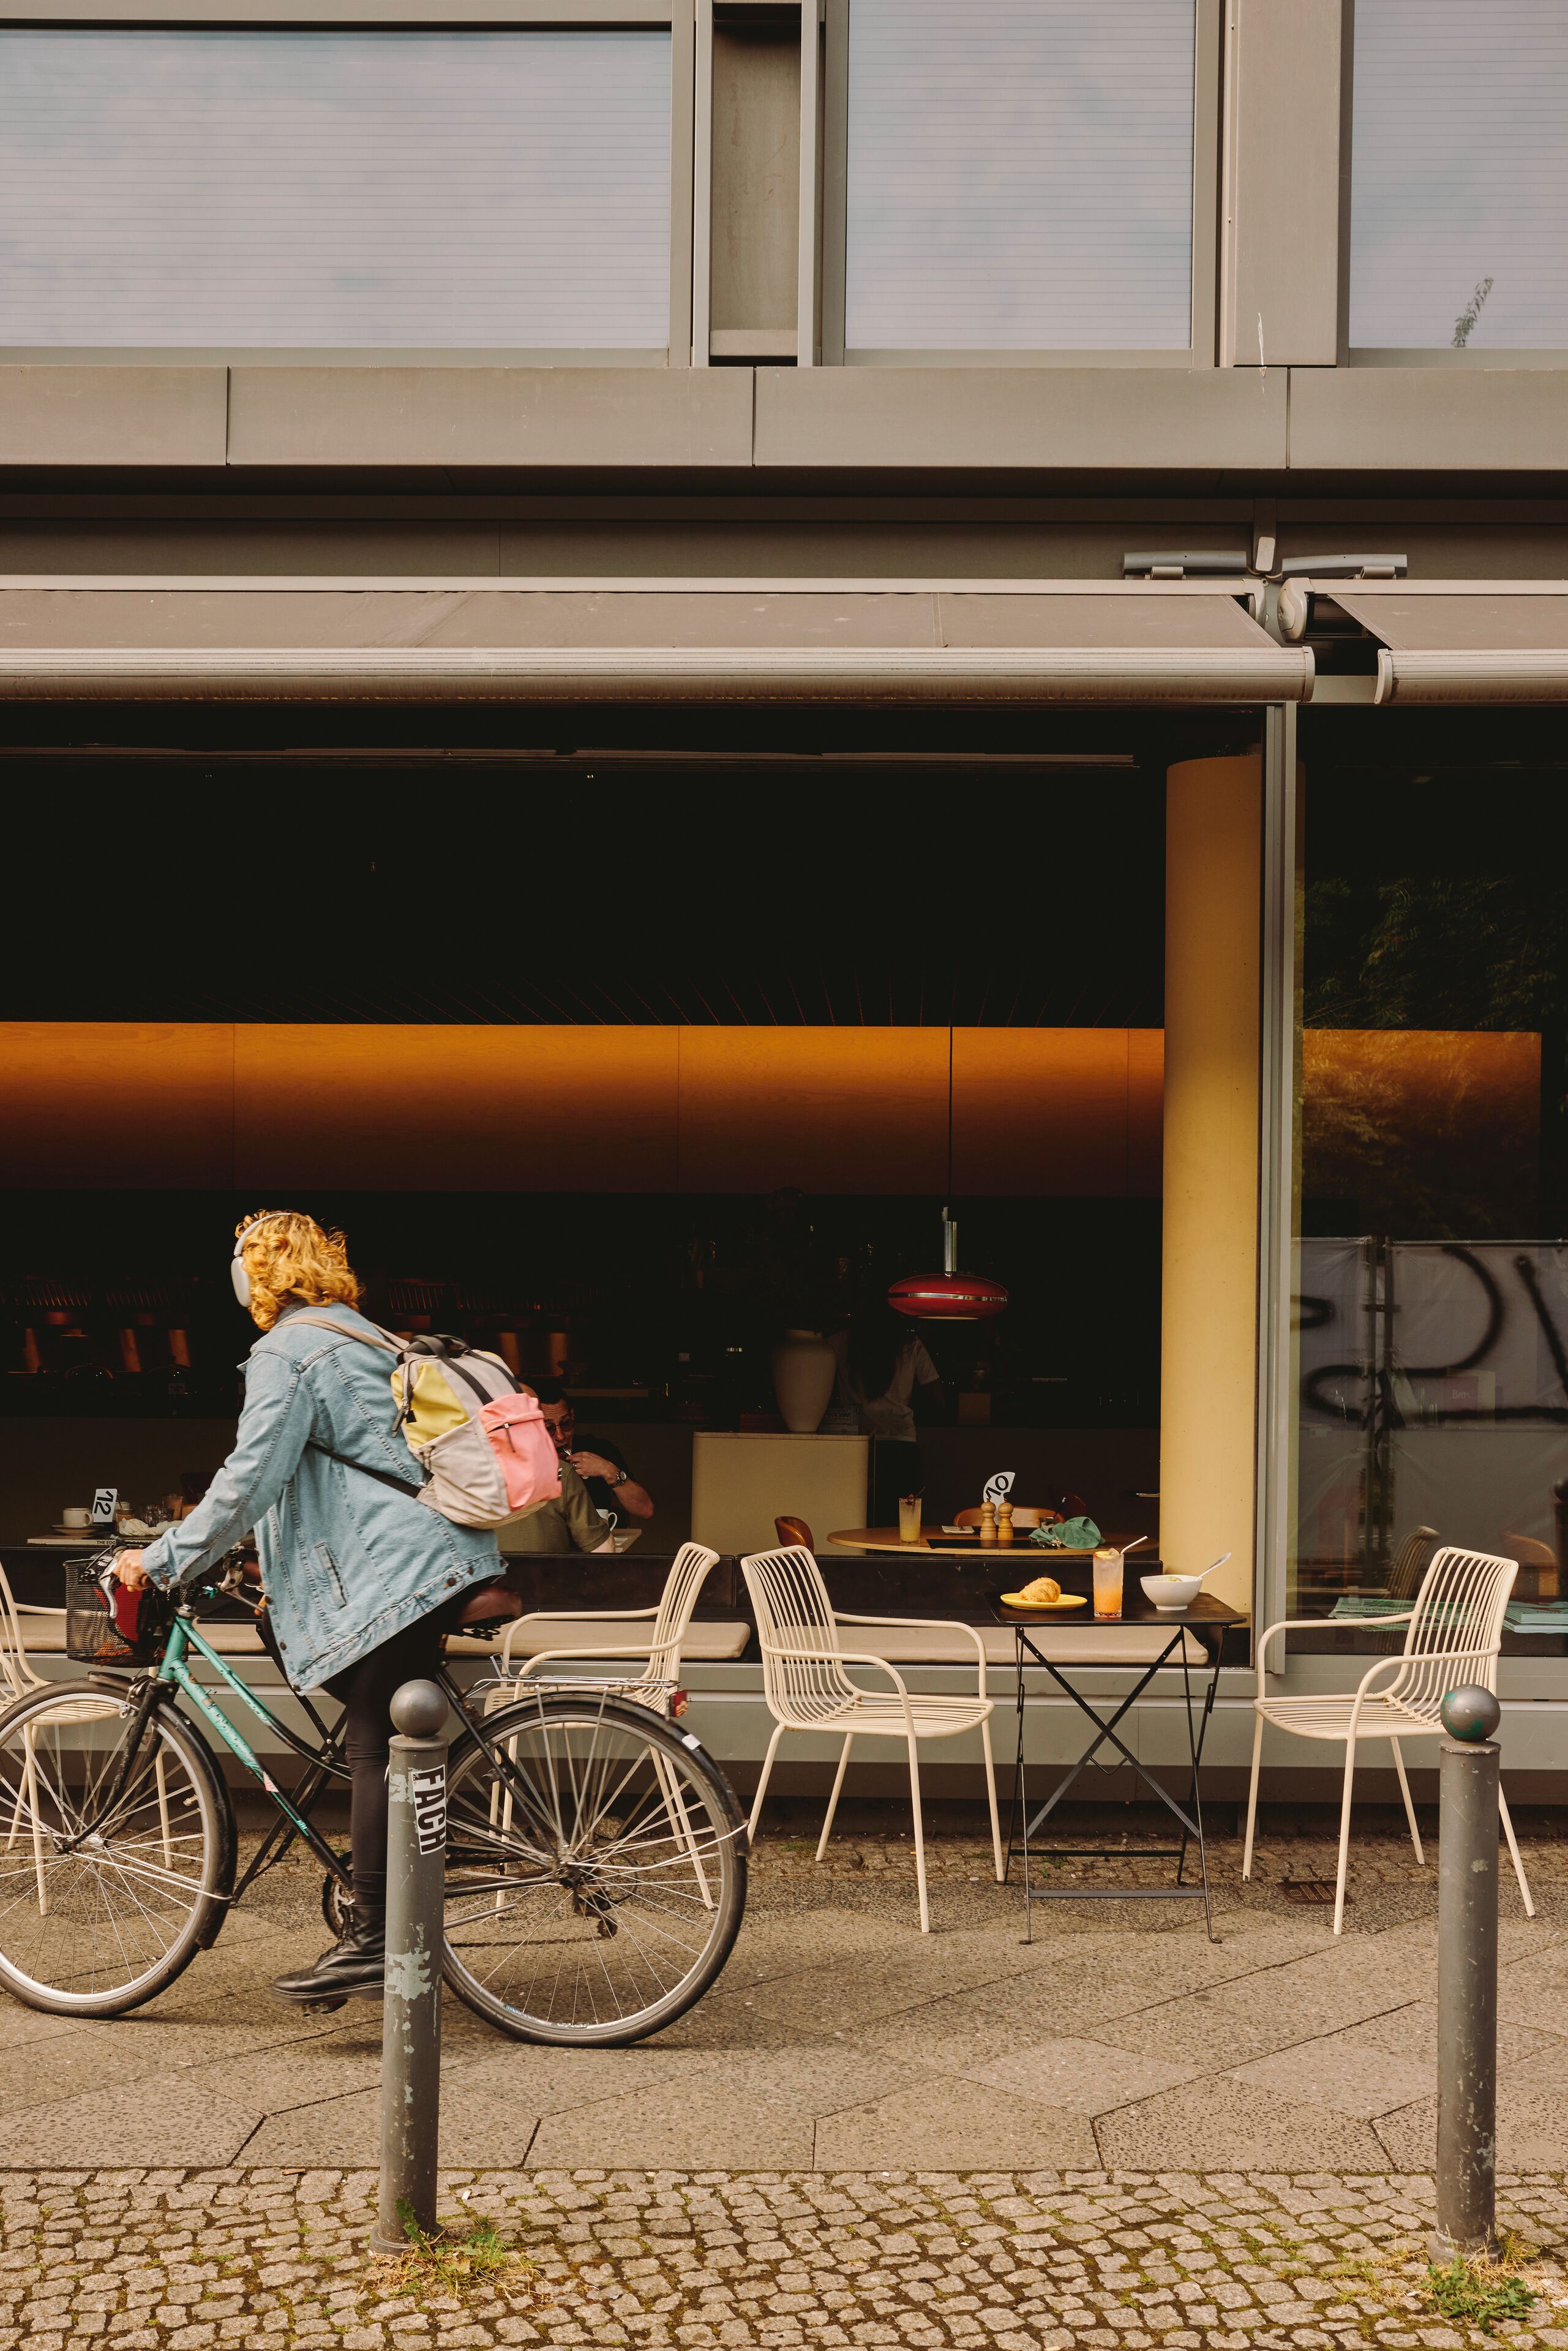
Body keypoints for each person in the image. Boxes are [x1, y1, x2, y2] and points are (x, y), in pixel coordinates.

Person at [114, 1210, 506, 2004]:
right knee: (370, 1713)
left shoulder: (288, 1350)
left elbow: (253, 1472)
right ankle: (419, 1832)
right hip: (428, 1556)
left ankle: (371, 1939)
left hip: (402, 1570)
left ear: (255, 1274)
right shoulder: (361, 1334)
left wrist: (162, 1559)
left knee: (369, 1740)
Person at [832, 1309, 944, 1525]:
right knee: (900, 1518)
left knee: (857, 1515)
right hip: (899, 1437)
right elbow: (937, 1394)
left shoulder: (840, 1341)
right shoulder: (909, 1343)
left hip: (855, 1437)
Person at [530, 1379, 655, 1523]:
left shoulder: (598, 1449)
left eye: (566, 1424)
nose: (561, 1436)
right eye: (549, 1428)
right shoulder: (521, 1460)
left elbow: (645, 1510)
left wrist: (609, 1472)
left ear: (573, 1416)